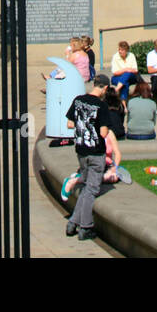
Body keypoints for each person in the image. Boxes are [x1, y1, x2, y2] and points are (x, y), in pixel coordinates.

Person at [64, 75, 111, 241]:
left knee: (85, 187)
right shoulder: (102, 105)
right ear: (105, 88)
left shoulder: (78, 100)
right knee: (91, 189)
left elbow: (70, 124)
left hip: (81, 150)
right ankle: (86, 226)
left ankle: (72, 223)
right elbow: (104, 133)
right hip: (96, 152)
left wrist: (82, 125)